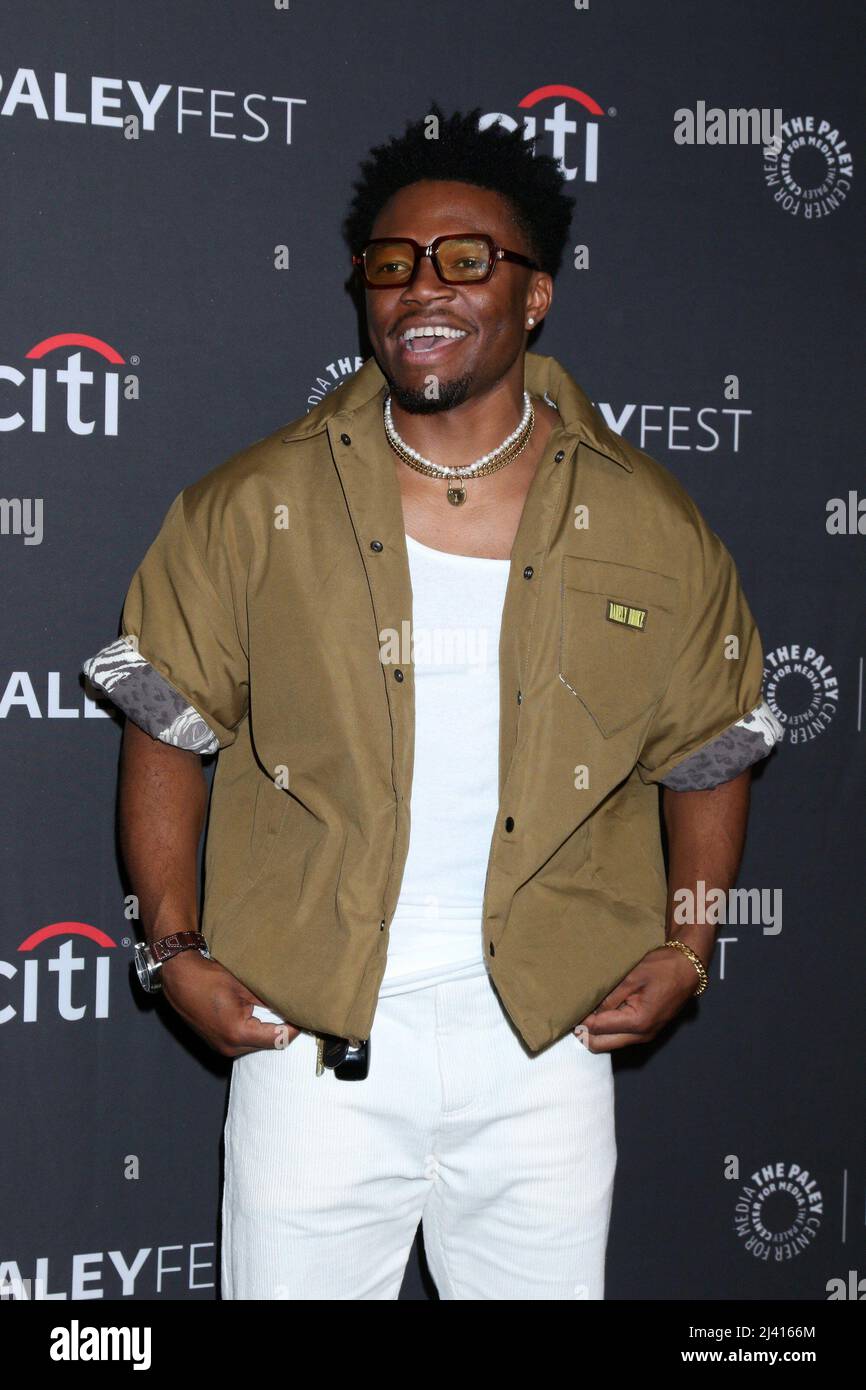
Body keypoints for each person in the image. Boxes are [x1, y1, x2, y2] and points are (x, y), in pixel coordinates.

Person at [82, 104, 783, 1300]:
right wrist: (173, 944)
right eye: (392, 264)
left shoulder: (647, 525)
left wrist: (689, 942)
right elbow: (168, 726)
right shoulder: (252, 505)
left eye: (467, 260)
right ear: (363, 291)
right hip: (310, 1049)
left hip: (544, 1051)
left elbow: (707, 751)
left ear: (536, 294)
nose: (424, 290)